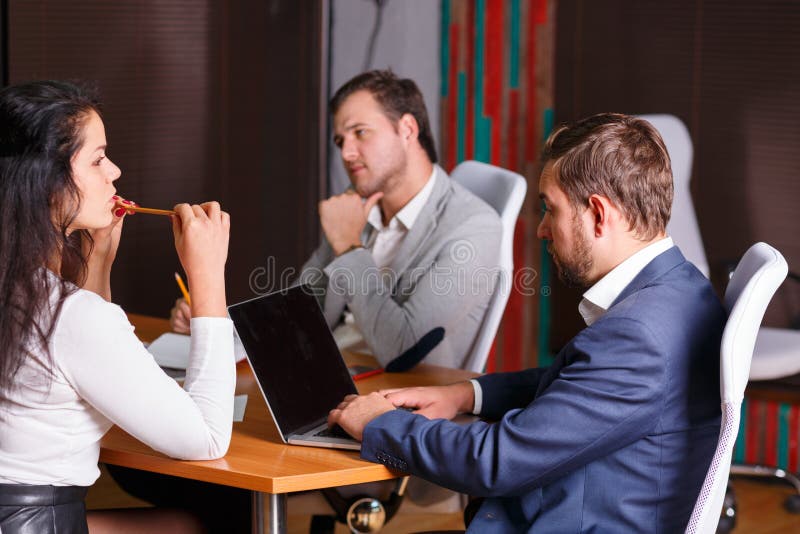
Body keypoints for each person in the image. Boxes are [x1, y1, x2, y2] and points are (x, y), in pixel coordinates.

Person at [327, 113, 726, 532]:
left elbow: (495, 462)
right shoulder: (682, 288)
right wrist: (467, 395)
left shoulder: (637, 336)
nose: (541, 230)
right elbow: (580, 386)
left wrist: (378, 424)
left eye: (549, 209)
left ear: (598, 214)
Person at [0, 80, 235, 534]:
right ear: (47, 182)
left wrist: (98, 264)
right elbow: (205, 439)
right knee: (208, 521)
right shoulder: (69, 316)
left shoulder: (29, 292)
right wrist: (208, 278)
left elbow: (86, 374)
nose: (115, 171)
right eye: (97, 159)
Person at [170, 69, 502, 371]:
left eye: (360, 133)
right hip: (323, 370)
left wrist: (348, 247)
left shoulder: (475, 226)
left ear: (407, 129)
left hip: (394, 401)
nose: (346, 153)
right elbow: (299, 308)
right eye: (341, 140)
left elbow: (403, 349)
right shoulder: (358, 205)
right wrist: (213, 322)